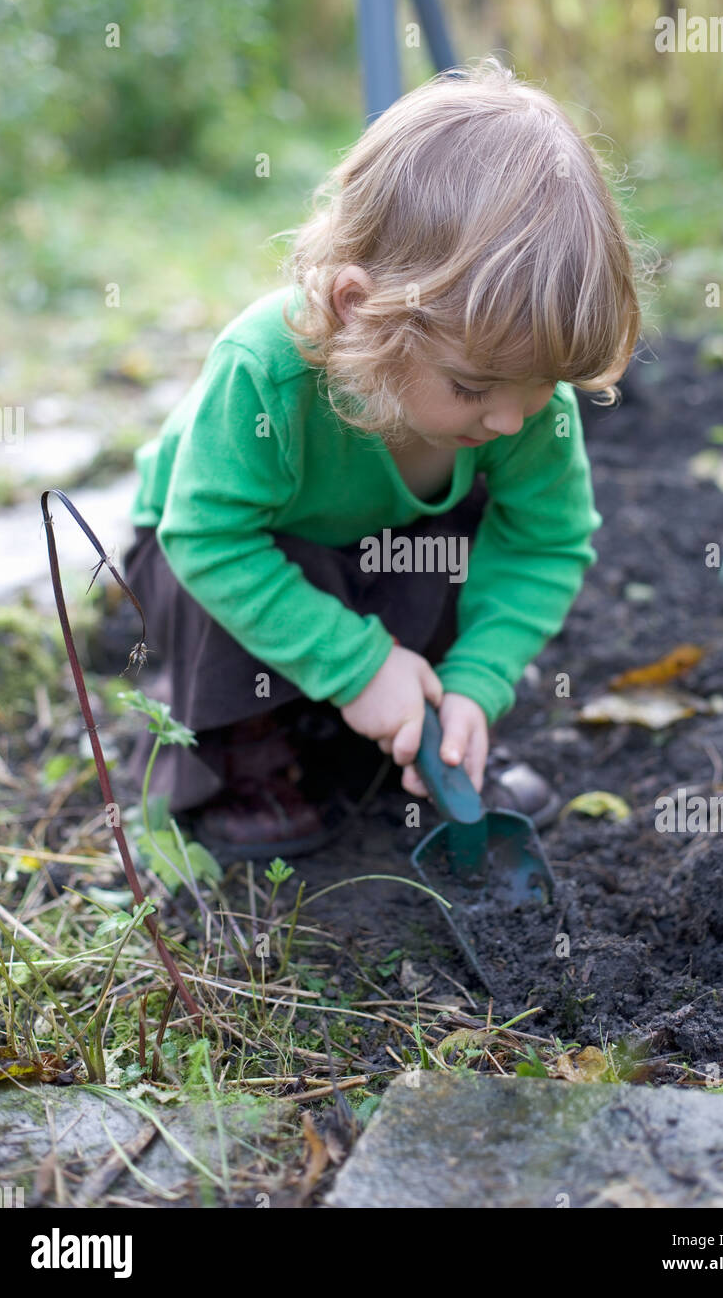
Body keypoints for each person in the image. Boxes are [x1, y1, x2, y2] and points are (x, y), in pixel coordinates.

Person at [122, 56, 641, 865]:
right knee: (253, 568)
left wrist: (476, 681)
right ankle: (243, 752)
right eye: (473, 386)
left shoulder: (520, 401)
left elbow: (545, 542)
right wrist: (358, 667)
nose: (510, 418)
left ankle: (421, 734)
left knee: (451, 545)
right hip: (206, 557)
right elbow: (207, 537)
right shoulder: (266, 371)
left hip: (369, 547)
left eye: (542, 388)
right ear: (358, 308)